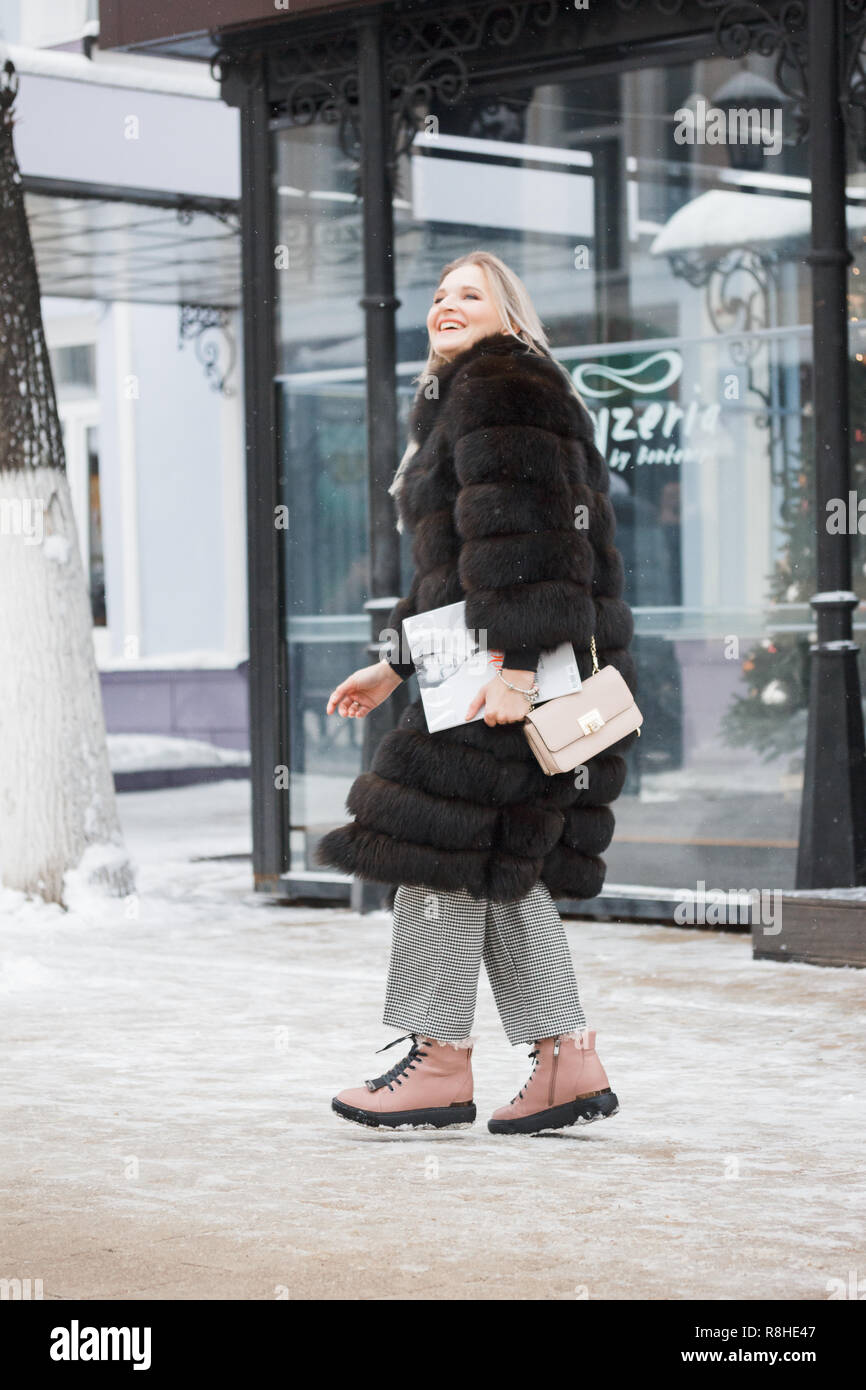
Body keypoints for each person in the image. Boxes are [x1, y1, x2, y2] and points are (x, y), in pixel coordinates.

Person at [316, 250, 637, 1135]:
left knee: (433, 847)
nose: (446, 306)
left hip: (502, 676)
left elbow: (536, 542)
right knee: (495, 867)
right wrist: (393, 664)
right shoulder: (469, 395)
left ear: (508, 313)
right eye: (439, 294)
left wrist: (518, 668)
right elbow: (452, 567)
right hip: (471, 668)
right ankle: (564, 1059)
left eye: (471, 294)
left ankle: (441, 1060)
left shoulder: (503, 386)